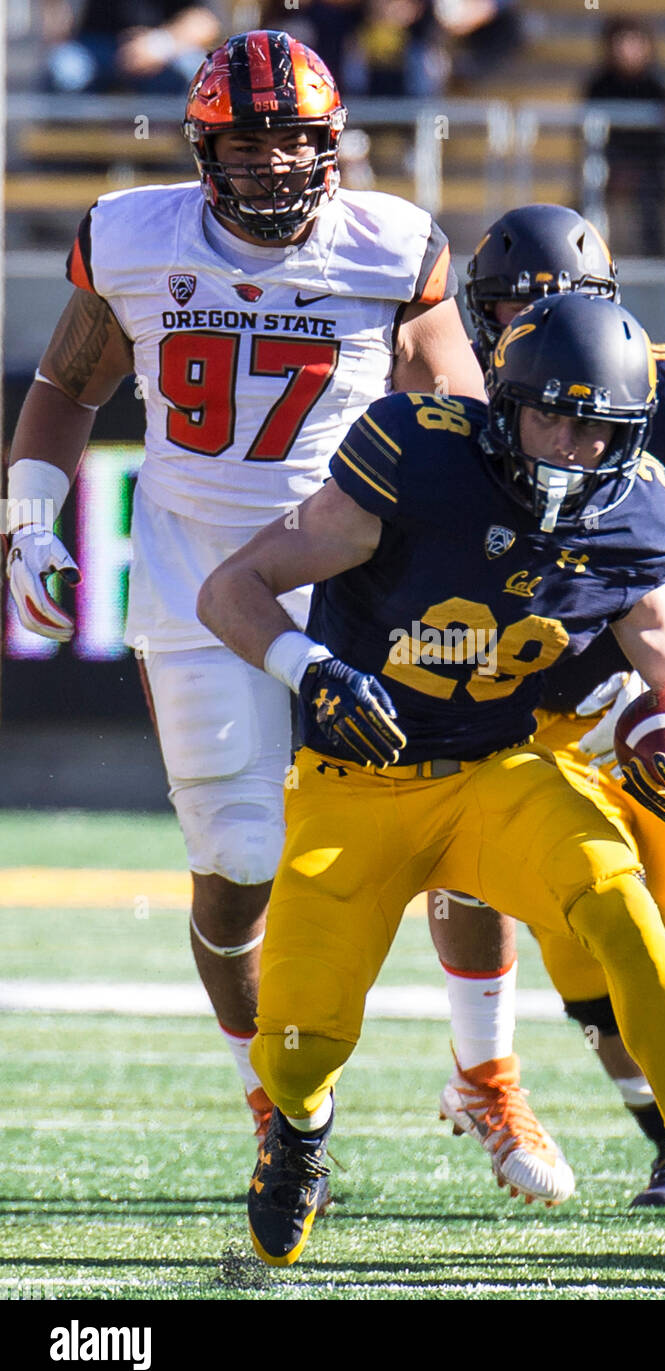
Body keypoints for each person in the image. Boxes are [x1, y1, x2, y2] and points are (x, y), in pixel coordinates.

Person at [198, 292, 665, 1272]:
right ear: (504, 404)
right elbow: (228, 588)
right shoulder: (418, 458)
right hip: (353, 781)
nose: (572, 447)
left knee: (623, 911)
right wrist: (311, 668)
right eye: (553, 415)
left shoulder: (643, 510)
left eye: (599, 427)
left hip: (499, 769)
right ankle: (300, 1131)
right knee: (299, 1043)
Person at [5, 29, 485, 1153]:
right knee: (234, 861)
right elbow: (66, 382)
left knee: (449, 823)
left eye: (296, 140)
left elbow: (454, 405)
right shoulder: (132, 237)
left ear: (335, 144)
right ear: (203, 148)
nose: (274, 163)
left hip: (356, 573)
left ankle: (489, 1067)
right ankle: (276, 1102)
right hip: (192, 574)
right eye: (248, 142)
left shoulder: (392, 245)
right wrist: (26, 518)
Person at [431, 203, 665, 1211]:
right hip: (528, 712)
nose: (516, 328)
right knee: (581, 940)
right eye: (500, 307)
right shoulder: (460, 407)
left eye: (536, 305)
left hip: (645, 678)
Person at [584, 18, 665, 257]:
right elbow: (590, 136)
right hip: (610, 163)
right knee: (587, 192)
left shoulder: (660, 85)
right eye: (620, 43)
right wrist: (617, 166)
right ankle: (589, 258)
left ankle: (656, 260)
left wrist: (637, 168)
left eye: (632, 43)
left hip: (649, 167)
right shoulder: (599, 85)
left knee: (650, 201)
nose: (625, 50)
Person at [43, 1, 222, 96]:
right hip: (97, 48)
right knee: (66, 67)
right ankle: (73, 160)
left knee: (198, 71)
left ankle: (184, 158)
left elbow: (206, 22)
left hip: (165, 50)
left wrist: (158, 45)